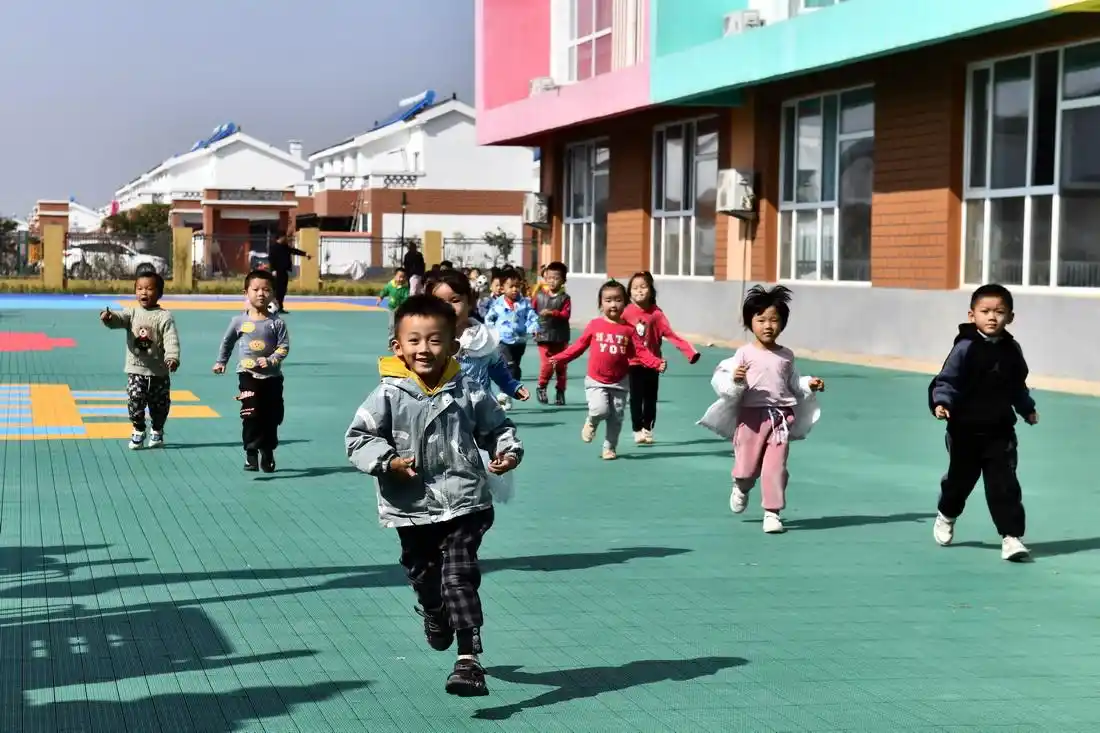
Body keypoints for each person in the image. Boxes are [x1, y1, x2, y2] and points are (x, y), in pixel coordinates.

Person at [345, 294, 522, 697]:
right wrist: (388, 461)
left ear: (453, 345)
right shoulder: (388, 394)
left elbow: (497, 427)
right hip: (411, 506)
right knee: (422, 573)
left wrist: (506, 451)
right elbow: (357, 438)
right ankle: (433, 610)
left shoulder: (470, 390)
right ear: (398, 347)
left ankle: (468, 661)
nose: (425, 348)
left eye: (435, 339)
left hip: (465, 501)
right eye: (415, 340)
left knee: (460, 575)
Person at [928, 283, 1038, 562]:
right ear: (971, 315)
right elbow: (946, 380)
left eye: (999, 312)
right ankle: (947, 513)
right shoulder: (965, 348)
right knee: (960, 482)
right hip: (964, 430)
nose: (992, 317)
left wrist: (1027, 409)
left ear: (1010, 317)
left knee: (1004, 484)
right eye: (985, 311)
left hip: (1000, 430)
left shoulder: (1012, 350)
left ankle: (1011, 538)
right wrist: (942, 403)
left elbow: (1017, 386)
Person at [707, 285, 825, 534]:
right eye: (761, 320)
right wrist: (737, 380)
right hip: (750, 418)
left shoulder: (787, 356)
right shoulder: (744, 353)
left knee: (775, 466)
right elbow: (728, 386)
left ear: (782, 323)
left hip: (781, 419)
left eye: (774, 320)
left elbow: (793, 384)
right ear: (751, 322)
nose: (768, 326)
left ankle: (772, 513)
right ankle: (741, 486)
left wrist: (809, 384)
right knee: (747, 468)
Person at [551, 280, 665, 460]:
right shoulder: (595, 325)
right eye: (608, 300)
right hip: (596, 380)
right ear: (600, 304)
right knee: (600, 410)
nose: (613, 304)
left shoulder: (629, 330)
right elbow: (579, 346)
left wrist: (655, 362)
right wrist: (560, 358)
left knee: (616, 418)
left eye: (618, 300)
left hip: (620, 382)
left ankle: (609, 447)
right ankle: (592, 420)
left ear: (625, 303)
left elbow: (640, 351)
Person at [213, 270, 290, 473]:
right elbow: (228, 342)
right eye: (255, 289)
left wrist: (272, 359)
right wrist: (221, 362)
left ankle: (267, 451)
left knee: (271, 416)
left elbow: (284, 347)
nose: (261, 294)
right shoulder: (239, 321)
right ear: (246, 292)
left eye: (266, 290)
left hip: (272, 377)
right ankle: (251, 452)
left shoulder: (277, 323)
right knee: (251, 412)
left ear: (273, 294)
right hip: (247, 375)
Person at [99, 270, 180, 449]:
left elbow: (171, 338)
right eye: (140, 288)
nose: (144, 292)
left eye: (149, 289)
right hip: (136, 369)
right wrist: (109, 317)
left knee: (160, 405)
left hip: (159, 371)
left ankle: (157, 431)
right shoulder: (132, 313)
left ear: (159, 293)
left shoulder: (164, 316)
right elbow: (119, 319)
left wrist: (172, 357)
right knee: (135, 399)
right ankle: (138, 429)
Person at [428, 270, 530, 404]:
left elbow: (496, 367)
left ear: (470, 301)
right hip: (442, 408)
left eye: (455, 300)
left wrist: (511, 386)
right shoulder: (426, 339)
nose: (448, 308)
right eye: (440, 302)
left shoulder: (482, 337)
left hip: (479, 408)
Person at [623, 271, 701, 444]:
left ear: (651, 290)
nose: (639, 291)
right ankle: (637, 429)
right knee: (636, 398)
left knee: (650, 398)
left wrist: (689, 352)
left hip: (653, 363)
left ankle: (648, 428)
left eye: (643, 287)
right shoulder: (626, 312)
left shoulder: (656, 314)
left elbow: (670, 334)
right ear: (629, 292)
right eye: (635, 288)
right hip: (633, 362)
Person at [484, 269, 540, 410]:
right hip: (502, 340)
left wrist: (534, 328)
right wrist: (490, 332)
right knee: (509, 365)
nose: (514, 289)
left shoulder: (525, 303)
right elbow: (489, 318)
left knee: (515, 368)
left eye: (517, 286)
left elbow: (532, 317)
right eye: (511, 286)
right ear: (503, 288)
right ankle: (504, 393)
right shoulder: (498, 303)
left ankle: (511, 390)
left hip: (519, 341)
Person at [533, 261, 571, 405]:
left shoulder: (565, 298)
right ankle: (541, 386)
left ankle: (560, 391)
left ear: (563, 280)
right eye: (549, 278)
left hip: (560, 336)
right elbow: (531, 313)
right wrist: (533, 328)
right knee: (547, 364)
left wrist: (552, 313)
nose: (552, 281)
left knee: (561, 366)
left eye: (556, 278)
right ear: (545, 278)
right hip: (543, 335)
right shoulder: (539, 296)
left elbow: (566, 315)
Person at [267, 234, 311, 314]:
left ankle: (280, 308)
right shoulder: (274, 247)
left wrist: (305, 254)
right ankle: (271, 309)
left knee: (282, 291)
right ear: (280, 237)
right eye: (285, 237)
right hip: (276, 273)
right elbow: (271, 259)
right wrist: (273, 270)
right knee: (276, 291)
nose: (286, 239)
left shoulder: (285, 247)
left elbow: (294, 251)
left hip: (284, 272)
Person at [380, 267, 410, 340]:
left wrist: (401, 306)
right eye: (400, 277)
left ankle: (401, 338)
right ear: (395, 276)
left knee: (401, 324)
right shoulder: (390, 285)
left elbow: (406, 298)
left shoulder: (405, 288)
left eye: (403, 277)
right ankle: (391, 340)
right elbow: (385, 290)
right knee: (392, 325)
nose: (401, 279)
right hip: (391, 308)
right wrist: (381, 297)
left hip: (401, 309)